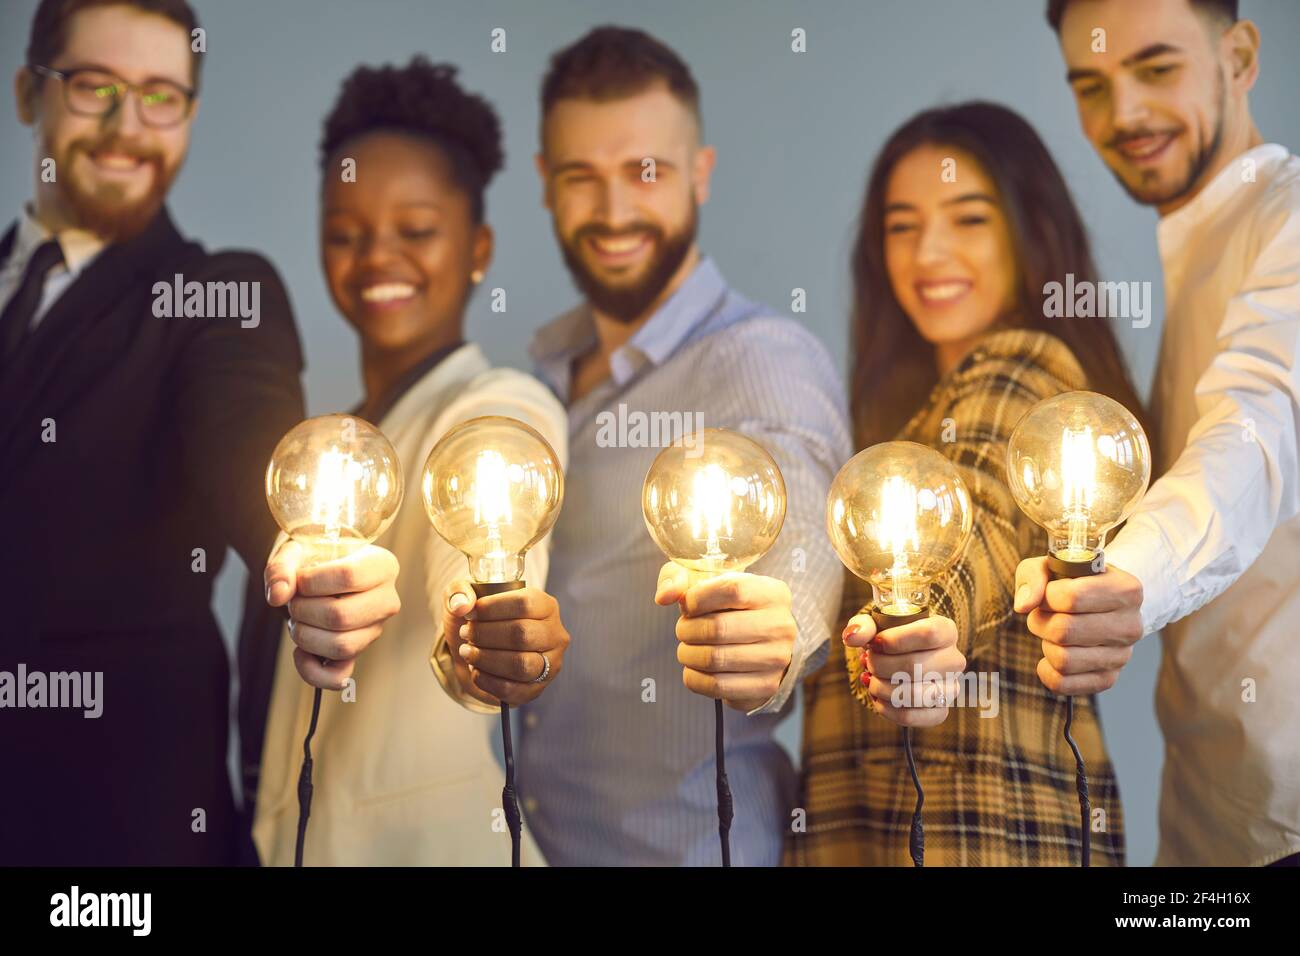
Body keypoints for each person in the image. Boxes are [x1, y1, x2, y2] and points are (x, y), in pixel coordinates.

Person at [0, 0, 400, 866]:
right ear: (29, 91)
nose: (126, 127)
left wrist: (299, 548)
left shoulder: (217, 295)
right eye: (95, 86)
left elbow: (244, 432)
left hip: (113, 840)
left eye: (160, 96)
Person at [490, 26, 851, 866]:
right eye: (582, 176)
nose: (614, 211)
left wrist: (780, 622)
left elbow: (800, 499)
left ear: (700, 172)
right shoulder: (541, 375)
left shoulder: (761, 358)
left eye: (645, 171)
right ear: (545, 182)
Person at [789, 102, 1151, 866]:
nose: (930, 252)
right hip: (877, 830)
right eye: (902, 226)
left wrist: (928, 621)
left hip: (986, 835)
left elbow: (979, 517)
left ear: (1029, 231)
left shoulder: (1025, 370)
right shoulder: (904, 423)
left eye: (969, 218)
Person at [246, 58, 570, 866]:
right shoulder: (339, 451)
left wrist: (486, 637)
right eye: (345, 233)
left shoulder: (498, 405)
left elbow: (477, 574)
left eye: (416, 230)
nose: (376, 257)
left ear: (478, 247)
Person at [1024, 0, 1300, 866]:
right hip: (1206, 823)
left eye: (1156, 68)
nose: (1126, 113)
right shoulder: (1201, 247)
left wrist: (1125, 579)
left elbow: (1257, 428)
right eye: (1091, 85)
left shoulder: (1290, 221)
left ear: (1240, 57)